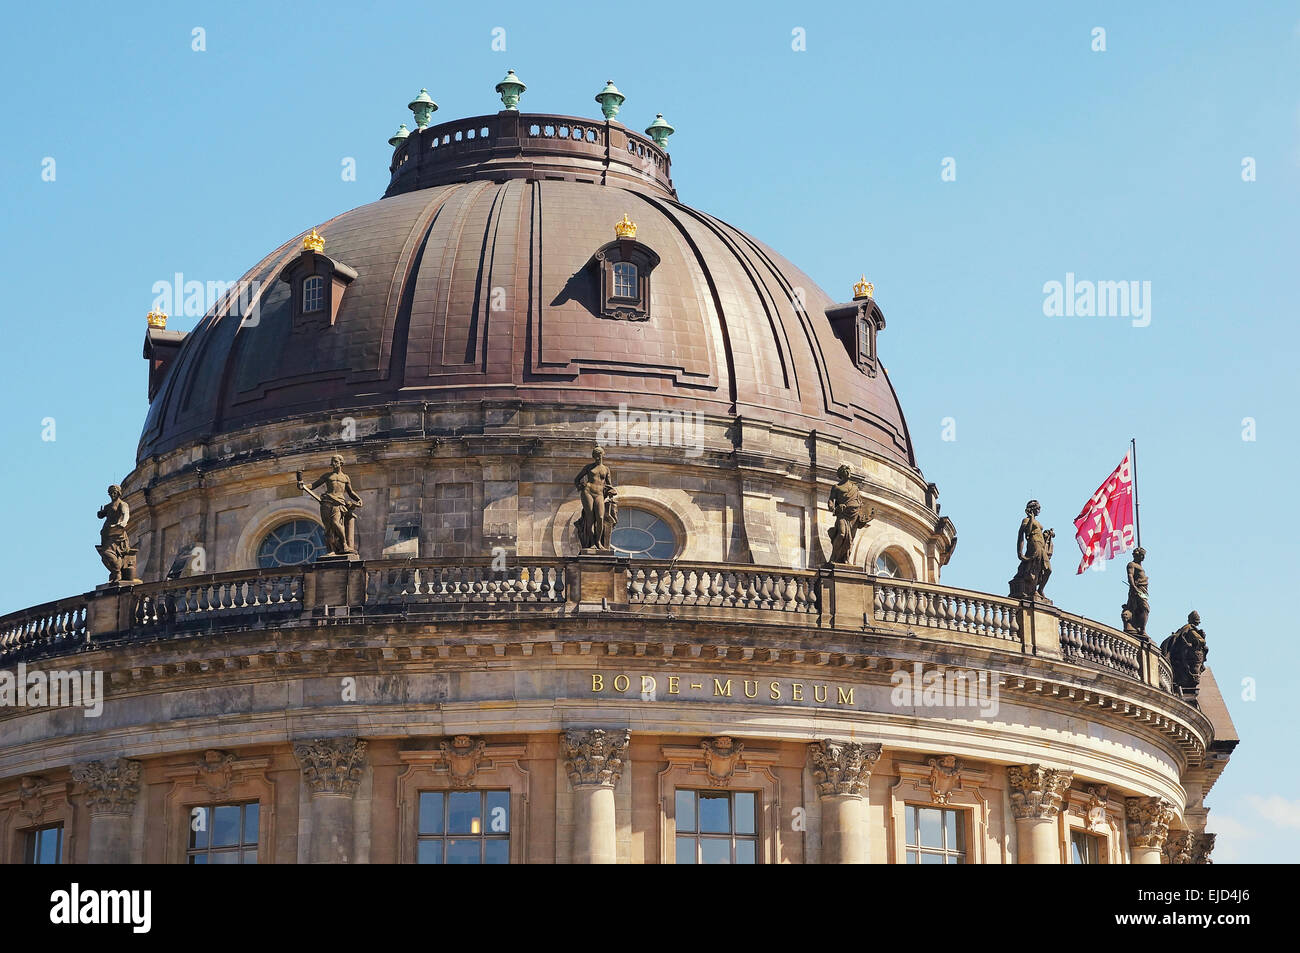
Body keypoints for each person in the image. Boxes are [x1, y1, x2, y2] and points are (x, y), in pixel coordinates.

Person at [299, 455, 363, 556]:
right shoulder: (327, 476)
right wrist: (303, 486)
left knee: (335, 522)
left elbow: (350, 492)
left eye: (336, 461)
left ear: (341, 463)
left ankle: (344, 544)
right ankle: (331, 550)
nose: (333, 464)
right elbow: (314, 485)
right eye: (332, 461)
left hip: (338, 503)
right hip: (326, 503)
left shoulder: (345, 478)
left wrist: (358, 499)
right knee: (328, 528)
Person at [826, 465, 873, 565]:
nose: (848, 473)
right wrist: (835, 509)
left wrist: (863, 516)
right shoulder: (836, 487)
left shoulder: (855, 488)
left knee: (850, 539)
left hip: (854, 515)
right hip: (842, 514)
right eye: (845, 471)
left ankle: (845, 558)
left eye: (848, 471)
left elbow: (860, 502)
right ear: (841, 474)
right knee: (842, 534)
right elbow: (830, 501)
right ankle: (834, 557)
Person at [573, 447, 617, 550]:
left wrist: (612, 491)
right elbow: (577, 479)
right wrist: (580, 486)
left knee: (600, 517)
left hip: (599, 494)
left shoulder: (606, 469)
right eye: (596, 454)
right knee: (590, 518)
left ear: (603, 455)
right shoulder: (588, 467)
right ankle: (592, 543)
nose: (598, 456)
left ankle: (598, 541)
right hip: (588, 492)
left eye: (599, 454)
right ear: (593, 456)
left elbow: (609, 485)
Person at [1009, 500, 1053, 600]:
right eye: (1038, 508)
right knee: (1035, 568)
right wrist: (1019, 552)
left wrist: (1047, 534)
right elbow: (1022, 535)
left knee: (1048, 570)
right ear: (1032, 509)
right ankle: (1033, 590)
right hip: (1034, 545)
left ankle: (1040, 589)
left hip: (1041, 546)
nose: (1039, 510)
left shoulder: (1037, 522)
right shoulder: (1026, 520)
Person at [96, 484, 135, 582]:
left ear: (118, 493)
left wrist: (123, 522)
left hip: (116, 532)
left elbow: (125, 514)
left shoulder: (122, 504)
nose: (112, 495)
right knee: (104, 557)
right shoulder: (108, 506)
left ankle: (117, 572)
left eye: (114, 492)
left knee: (107, 553)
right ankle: (115, 572)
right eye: (110, 493)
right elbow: (102, 515)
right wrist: (100, 514)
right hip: (106, 533)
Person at [1122, 547, 1150, 636]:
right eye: (1142, 555)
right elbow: (1130, 575)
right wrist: (1133, 586)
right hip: (1137, 589)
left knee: (1141, 609)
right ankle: (1142, 629)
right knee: (1145, 608)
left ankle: (1140, 627)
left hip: (1143, 590)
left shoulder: (1139, 566)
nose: (1143, 557)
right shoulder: (1132, 564)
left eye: (1143, 555)